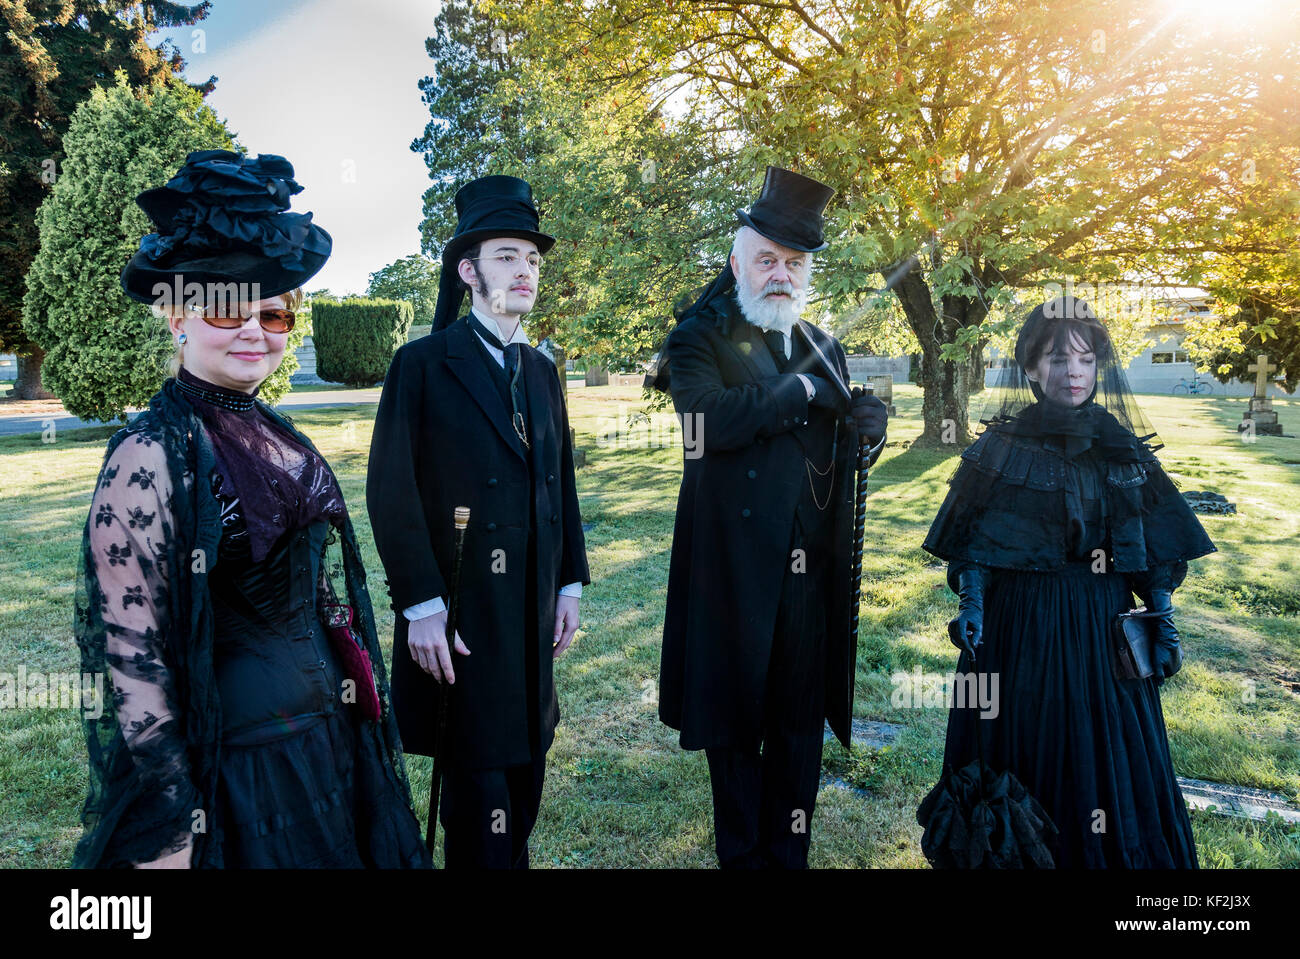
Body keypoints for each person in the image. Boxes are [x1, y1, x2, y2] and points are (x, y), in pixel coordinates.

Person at [73, 150, 429, 868]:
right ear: (176, 312)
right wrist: (174, 823)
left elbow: (314, 583)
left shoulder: (273, 430)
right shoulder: (148, 454)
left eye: (272, 311)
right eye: (226, 307)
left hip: (329, 741)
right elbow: (131, 657)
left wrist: (351, 658)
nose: (253, 330)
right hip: (238, 771)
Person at [921, 296, 1216, 868]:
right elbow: (973, 542)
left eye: (1085, 359)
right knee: (1022, 747)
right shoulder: (999, 449)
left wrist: (1161, 613)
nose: (1073, 372)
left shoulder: (1122, 448)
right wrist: (973, 601)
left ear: (1099, 368)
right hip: (1016, 631)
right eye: (1057, 359)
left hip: (1101, 636)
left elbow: (1155, 546)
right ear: (1031, 368)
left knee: (1102, 763)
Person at [650, 166, 888, 868]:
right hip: (730, 576)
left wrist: (867, 429)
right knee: (735, 737)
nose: (780, 273)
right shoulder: (698, 338)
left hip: (807, 582)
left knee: (796, 735)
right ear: (737, 262)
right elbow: (703, 421)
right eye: (767, 259)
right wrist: (804, 391)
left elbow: (837, 447)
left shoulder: (823, 341)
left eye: (794, 262)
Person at [367, 174, 590, 869]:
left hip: (531, 614)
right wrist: (420, 605)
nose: (524, 272)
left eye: (531, 260)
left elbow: (563, 486)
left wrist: (571, 583)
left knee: (525, 778)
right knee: (479, 798)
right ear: (468, 270)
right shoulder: (422, 366)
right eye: (506, 256)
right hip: (462, 620)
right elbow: (389, 490)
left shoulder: (542, 371)